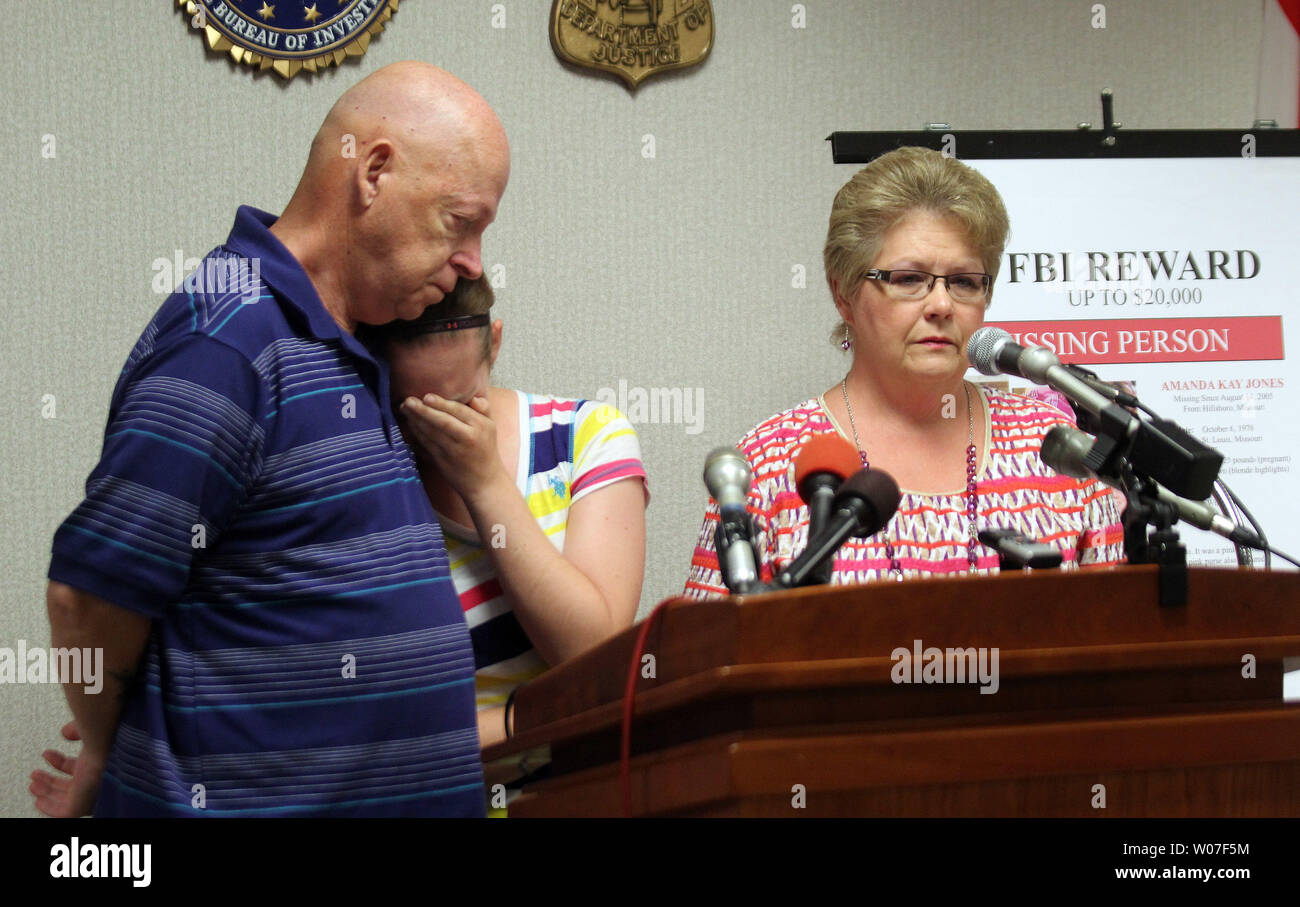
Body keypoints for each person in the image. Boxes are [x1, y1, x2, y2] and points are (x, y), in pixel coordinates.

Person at [29, 61, 510, 817]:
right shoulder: (229, 338)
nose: (475, 261)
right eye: (463, 222)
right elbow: (86, 598)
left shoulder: (351, 344)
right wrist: (107, 747)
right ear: (374, 172)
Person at [684, 146, 1123, 596]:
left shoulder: (1055, 447)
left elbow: (1121, 638)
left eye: (964, 282)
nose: (941, 305)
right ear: (844, 294)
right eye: (908, 279)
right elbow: (708, 651)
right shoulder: (770, 460)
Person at [364, 276, 648, 751]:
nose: (440, 430)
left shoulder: (584, 437)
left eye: (458, 404)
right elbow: (378, 731)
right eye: (411, 412)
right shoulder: (364, 473)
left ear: (493, 344)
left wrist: (485, 483)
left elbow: (592, 654)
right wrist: (525, 723)